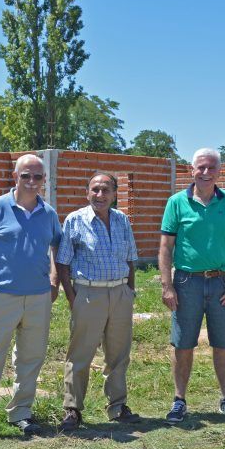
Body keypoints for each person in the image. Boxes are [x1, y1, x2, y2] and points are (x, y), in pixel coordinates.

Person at [0, 154, 62, 446]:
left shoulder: (49, 213)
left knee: (31, 358)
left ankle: (21, 413)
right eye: (25, 176)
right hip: (1, 296)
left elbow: (57, 246)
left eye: (38, 177)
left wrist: (54, 281)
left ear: (44, 180)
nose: (32, 182)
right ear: (14, 177)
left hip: (39, 296)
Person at [159, 148, 225, 423]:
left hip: (221, 283)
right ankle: (179, 400)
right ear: (191, 170)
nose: (206, 173)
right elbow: (165, 246)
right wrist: (167, 285)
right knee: (183, 344)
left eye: (211, 168)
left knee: (223, 344)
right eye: (201, 168)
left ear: (219, 171)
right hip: (187, 282)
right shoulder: (176, 202)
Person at [56, 172, 141, 431]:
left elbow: (130, 258)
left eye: (106, 190)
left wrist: (129, 291)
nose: (100, 195)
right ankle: (72, 409)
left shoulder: (122, 220)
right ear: (87, 193)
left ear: (115, 194)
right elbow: (62, 262)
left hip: (119, 294)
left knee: (118, 355)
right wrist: (73, 297)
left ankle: (117, 407)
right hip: (89, 294)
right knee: (80, 353)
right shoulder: (75, 220)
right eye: (95, 190)